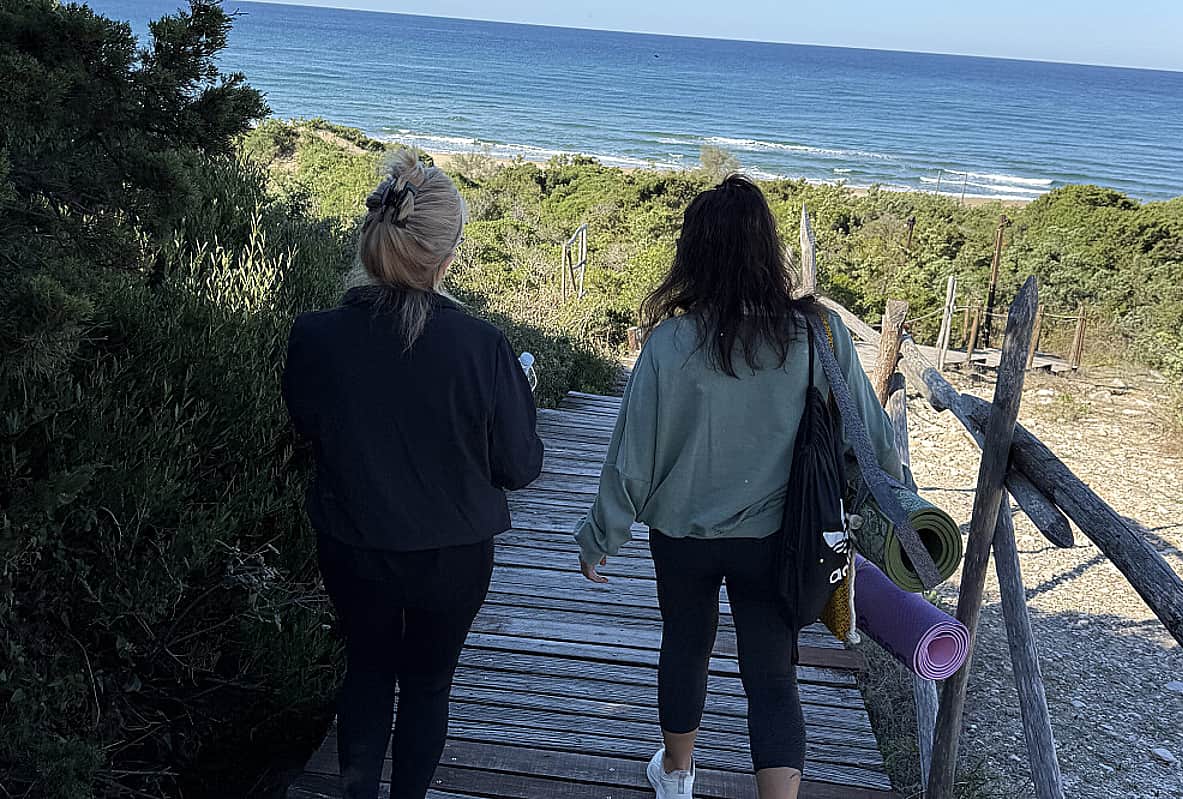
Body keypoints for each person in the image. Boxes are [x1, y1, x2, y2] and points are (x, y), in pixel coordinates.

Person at [573, 175, 904, 799]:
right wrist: (902, 508)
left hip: (682, 533)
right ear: (767, 252)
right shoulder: (816, 334)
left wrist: (602, 535)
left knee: (686, 645)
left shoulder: (670, 343)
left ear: (693, 255)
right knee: (773, 674)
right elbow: (870, 433)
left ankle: (676, 774)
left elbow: (632, 458)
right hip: (779, 537)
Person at [283, 150, 544, 799]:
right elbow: (519, 465)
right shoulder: (481, 345)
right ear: (447, 254)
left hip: (352, 544)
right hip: (452, 557)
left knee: (366, 672)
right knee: (428, 685)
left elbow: (308, 425)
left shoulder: (315, 335)